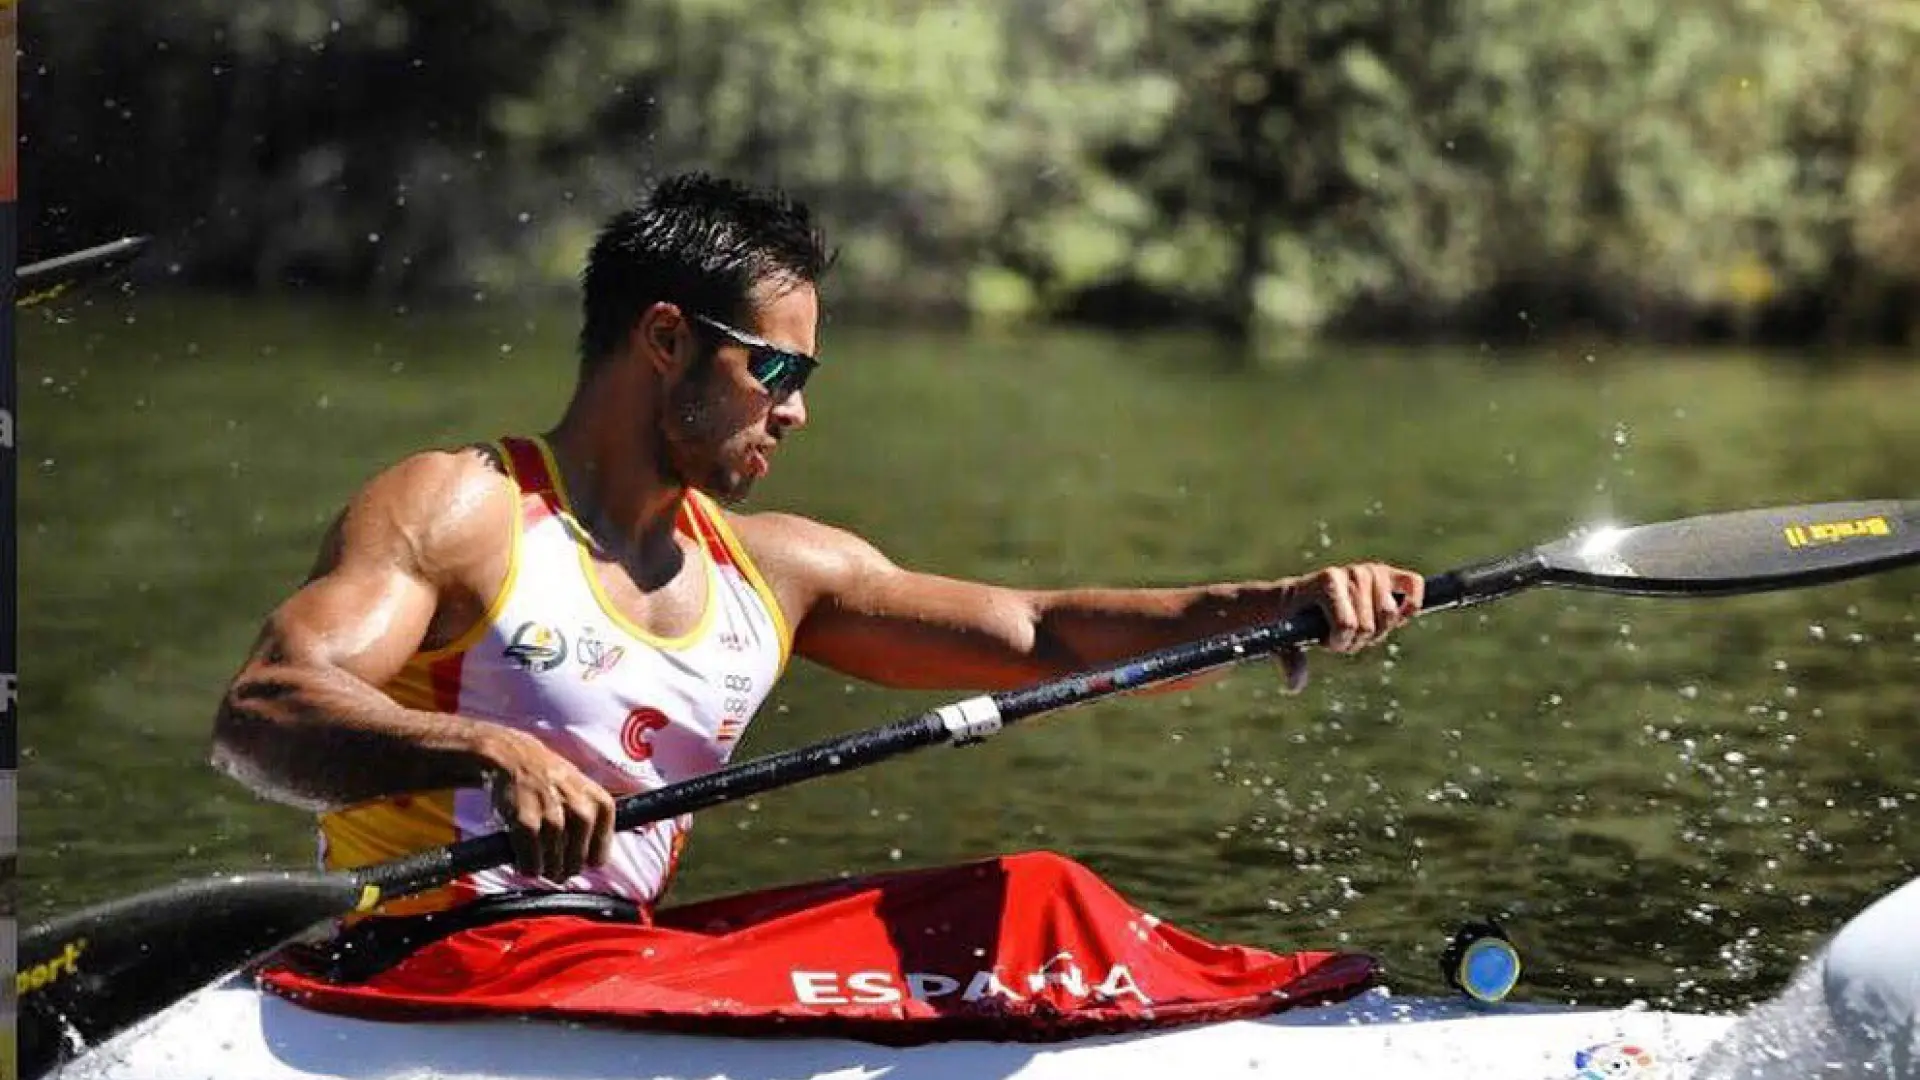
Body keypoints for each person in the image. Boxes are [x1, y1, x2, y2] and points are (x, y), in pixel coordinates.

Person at [208, 172, 1425, 916]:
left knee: (1033, 900)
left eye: (807, 375)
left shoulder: (775, 572)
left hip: (610, 969)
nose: (795, 409)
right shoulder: (463, 505)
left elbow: (1043, 633)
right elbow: (263, 711)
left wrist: (1282, 600)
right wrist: (485, 752)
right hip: (418, 962)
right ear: (669, 340)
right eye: (774, 368)